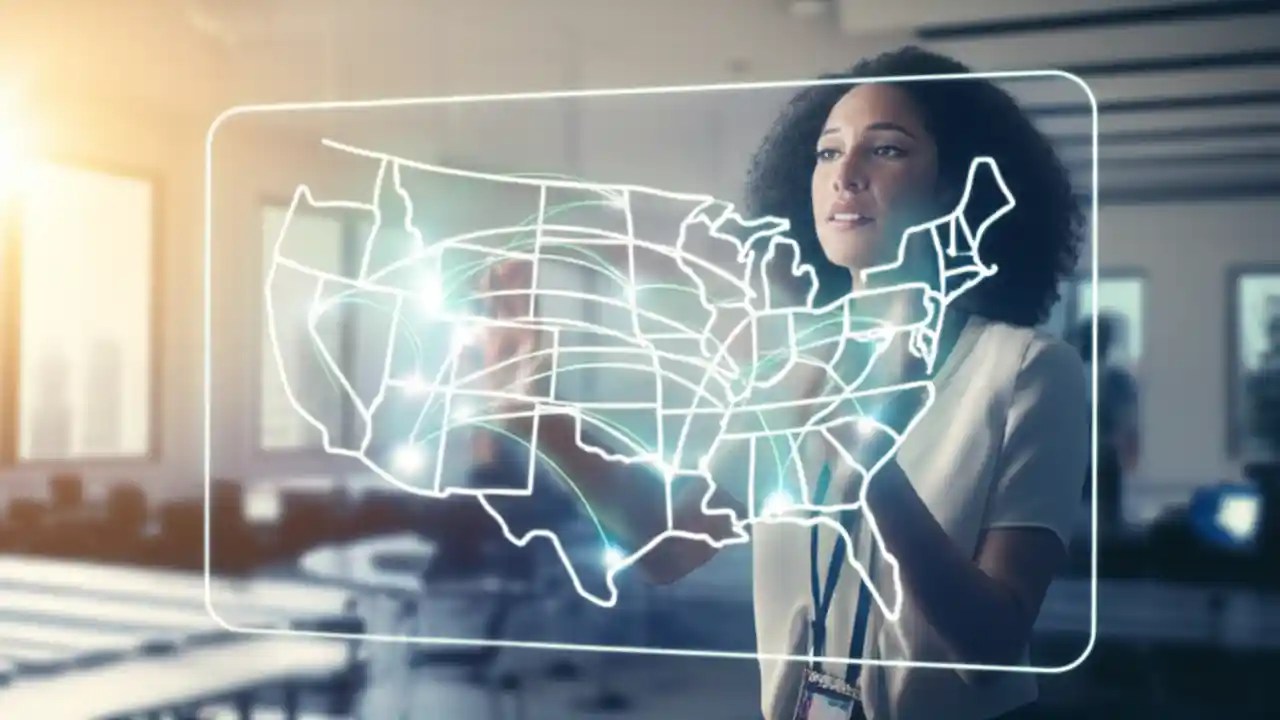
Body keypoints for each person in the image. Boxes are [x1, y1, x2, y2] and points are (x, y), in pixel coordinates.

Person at [477, 46, 1089, 720]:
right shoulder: (791, 367)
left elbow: (993, 644)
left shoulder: (1028, 369)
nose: (845, 176)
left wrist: (874, 478)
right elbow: (671, 546)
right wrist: (536, 415)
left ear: (954, 183)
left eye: (885, 151)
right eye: (828, 153)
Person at [1073, 313, 1140, 539]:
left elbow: (1126, 421)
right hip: (1089, 457)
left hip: (1097, 456)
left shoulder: (1116, 380)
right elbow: (1126, 422)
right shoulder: (1115, 379)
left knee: (1104, 517)